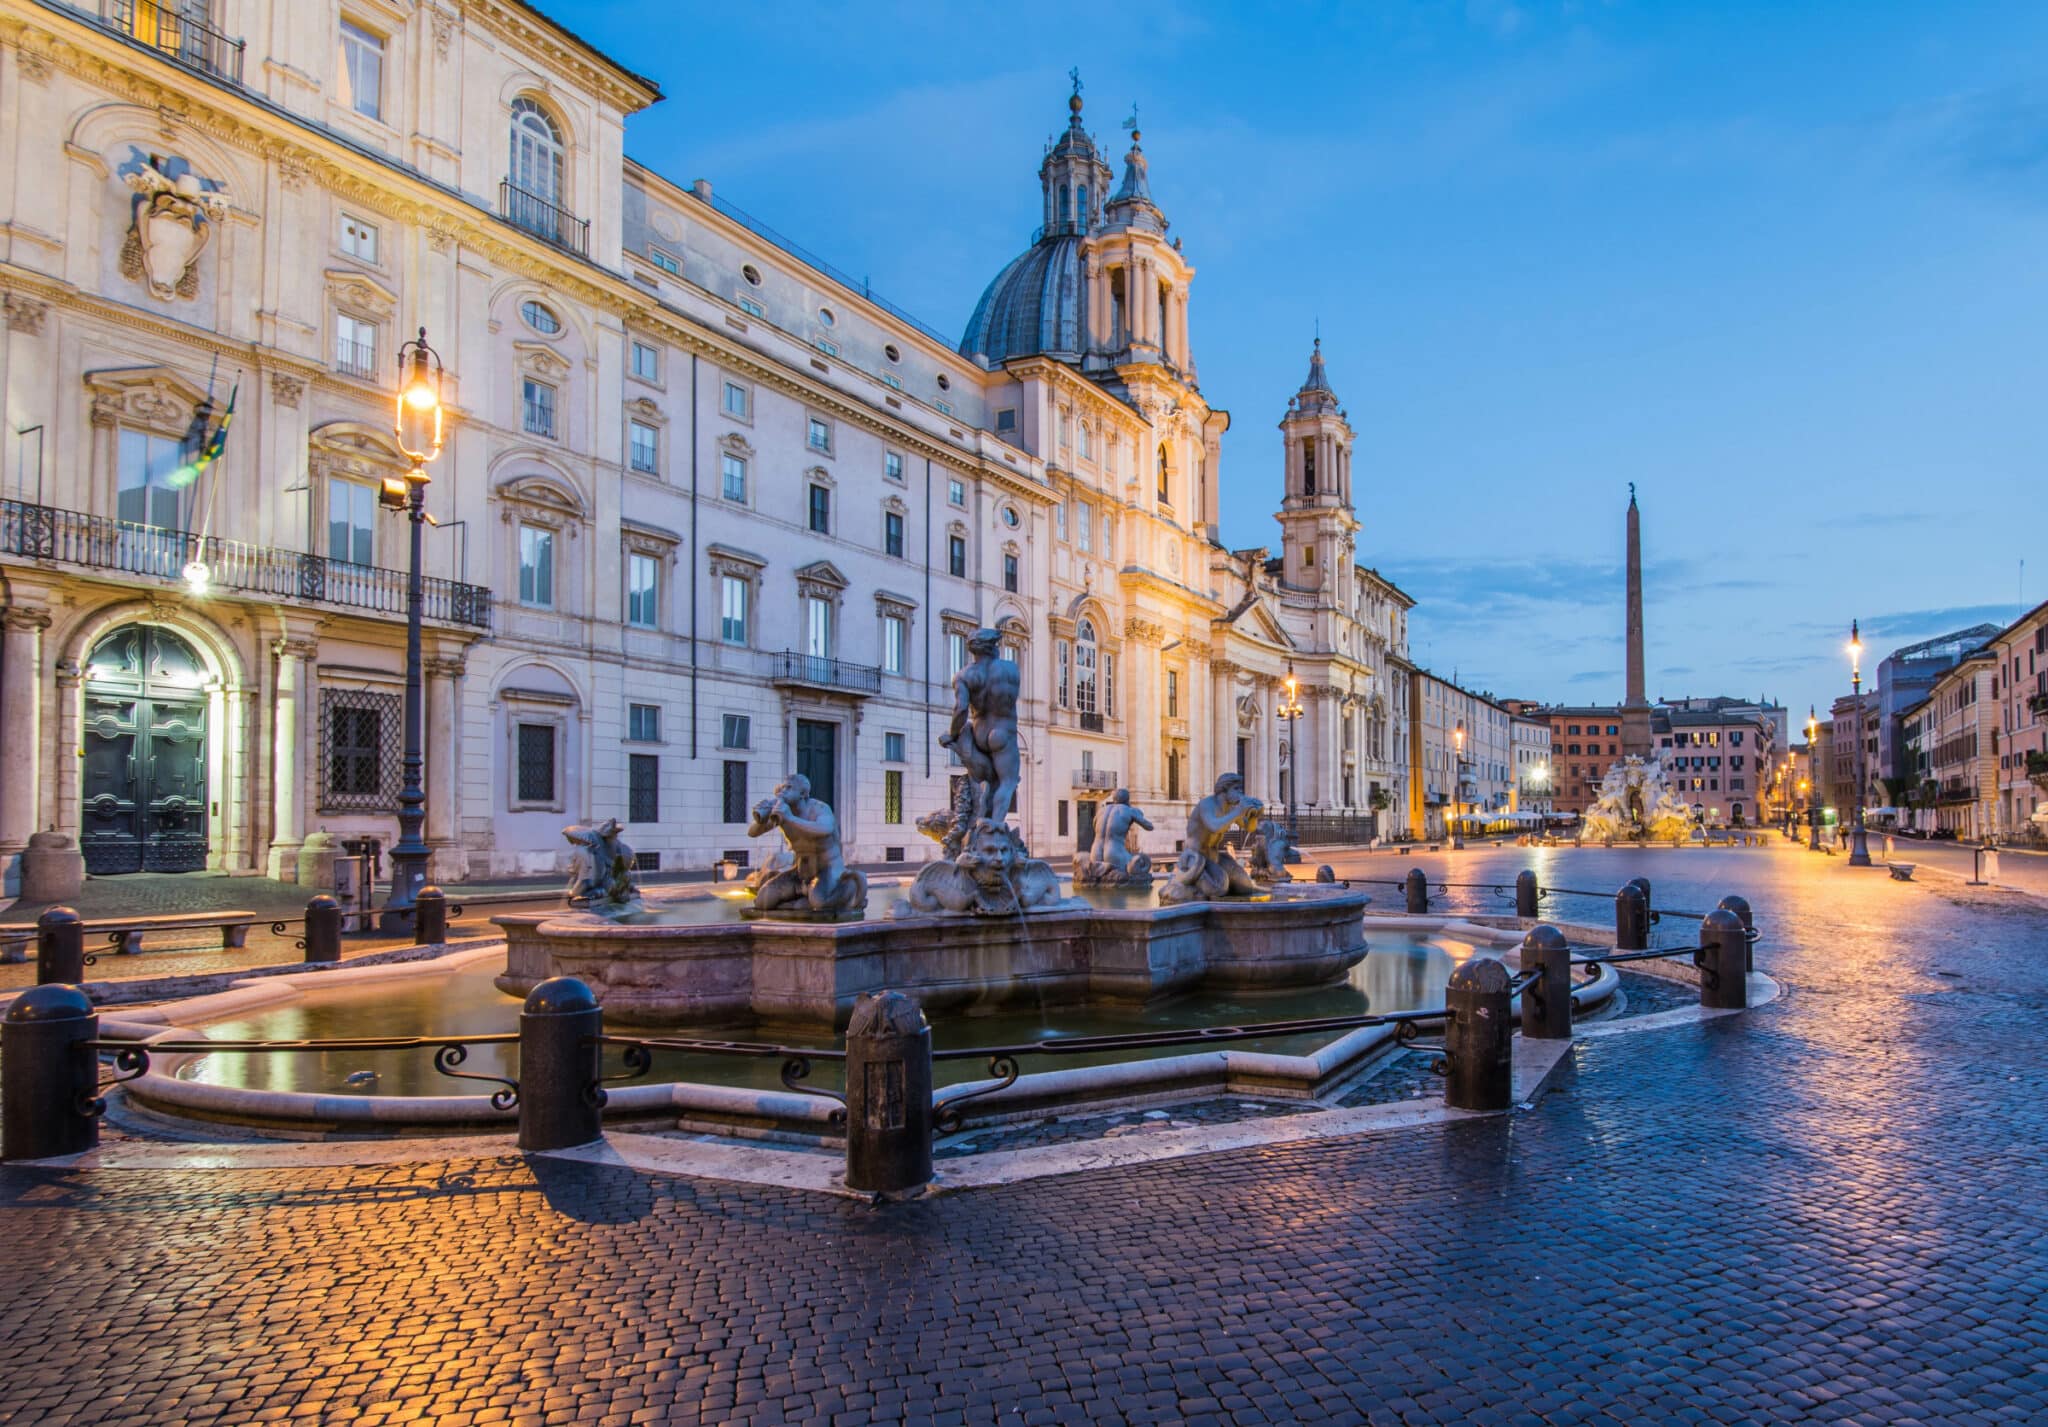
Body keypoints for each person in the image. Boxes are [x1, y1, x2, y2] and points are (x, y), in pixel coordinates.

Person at [939, 628, 1021, 828]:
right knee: (1007, 782)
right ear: (993, 647)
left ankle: (982, 825)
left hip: (979, 732)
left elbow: (960, 710)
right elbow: (1010, 699)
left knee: (990, 784)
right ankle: (994, 829)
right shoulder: (1010, 669)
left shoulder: (963, 675)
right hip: (1002, 731)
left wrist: (952, 734)